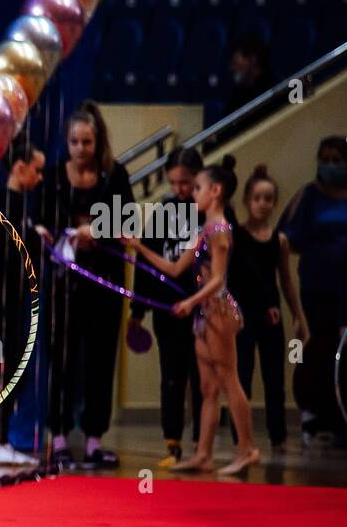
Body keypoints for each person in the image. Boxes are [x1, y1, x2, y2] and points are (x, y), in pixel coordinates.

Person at [123, 156, 260, 474]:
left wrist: (189, 302)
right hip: (203, 313)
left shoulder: (220, 230)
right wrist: (138, 248)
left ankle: (247, 448)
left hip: (217, 311)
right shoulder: (206, 229)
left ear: (215, 191)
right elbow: (174, 268)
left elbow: (217, 281)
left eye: (196, 187)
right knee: (208, 387)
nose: (190, 193)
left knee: (229, 380)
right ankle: (203, 454)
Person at [40, 100, 133, 468]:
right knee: (60, 359)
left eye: (88, 143)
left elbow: (127, 225)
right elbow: (38, 219)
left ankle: (94, 438)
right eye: (75, 142)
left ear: (99, 143)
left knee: (100, 358)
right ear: (67, 142)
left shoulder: (115, 176)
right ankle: (58, 435)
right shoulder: (53, 176)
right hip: (63, 283)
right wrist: (45, 233)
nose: (81, 150)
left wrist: (98, 231)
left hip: (103, 281)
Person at [129, 147, 204, 466]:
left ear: (199, 178)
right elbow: (146, 264)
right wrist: (137, 312)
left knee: (202, 377)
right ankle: (172, 443)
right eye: (173, 183)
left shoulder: (209, 212)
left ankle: (203, 443)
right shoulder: (163, 212)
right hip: (168, 309)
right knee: (172, 376)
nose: (179, 190)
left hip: (202, 308)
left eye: (185, 183)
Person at [0, 134, 44, 466]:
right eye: (37, 170)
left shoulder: (22, 207)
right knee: (0, 369)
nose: (40, 177)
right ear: (20, 168)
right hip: (0, 307)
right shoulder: (1, 206)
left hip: (13, 306)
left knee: (17, 369)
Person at [227, 165, 306, 452]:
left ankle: (278, 436)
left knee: (274, 378)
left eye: (269, 199)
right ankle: (241, 437)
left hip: (270, 315)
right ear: (248, 200)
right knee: (242, 375)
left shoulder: (279, 240)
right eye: (258, 198)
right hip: (241, 317)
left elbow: (285, 280)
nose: (263, 204)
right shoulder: (235, 236)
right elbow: (226, 278)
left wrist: (298, 316)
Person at [277, 135, 347, 446]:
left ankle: (341, 417)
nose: (330, 165)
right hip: (317, 287)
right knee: (317, 347)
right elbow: (285, 238)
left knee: (343, 353)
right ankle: (313, 414)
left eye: (337, 160)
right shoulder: (308, 196)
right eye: (325, 159)